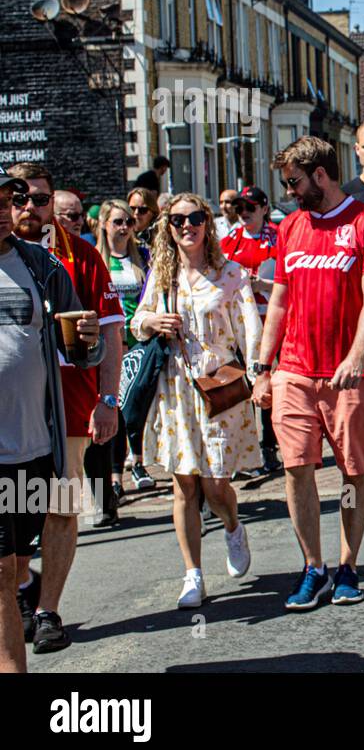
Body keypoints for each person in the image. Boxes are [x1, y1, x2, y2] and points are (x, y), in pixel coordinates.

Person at [251, 137, 364, 610]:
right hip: (293, 371)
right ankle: (313, 566)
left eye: (294, 181)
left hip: (349, 375)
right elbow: (280, 302)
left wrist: (355, 356)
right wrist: (262, 368)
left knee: (354, 473)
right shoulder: (289, 227)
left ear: (321, 176)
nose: (289, 191)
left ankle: (348, 566)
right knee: (296, 471)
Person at [7, 163, 122, 656]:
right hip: (12, 416)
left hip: (66, 410)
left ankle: (47, 609)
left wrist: (108, 399)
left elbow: (111, 334)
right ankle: (17, 599)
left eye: (41, 199)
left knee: (59, 506)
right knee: (13, 519)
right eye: (22, 199)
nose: (31, 208)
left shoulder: (79, 257)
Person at [132, 194, 259, 607]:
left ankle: (232, 525)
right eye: (178, 219)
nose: (187, 225)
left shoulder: (231, 274)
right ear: (167, 227)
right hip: (176, 389)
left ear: (208, 223)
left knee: (216, 482)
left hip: (219, 387)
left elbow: (250, 335)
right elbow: (137, 323)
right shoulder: (162, 276)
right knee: (184, 483)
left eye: (196, 217)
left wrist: (259, 376)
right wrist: (152, 321)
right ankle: (193, 575)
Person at [88, 200, 155, 520]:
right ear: (104, 224)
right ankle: (115, 478)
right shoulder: (97, 259)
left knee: (134, 408)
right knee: (114, 409)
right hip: (110, 347)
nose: (125, 227)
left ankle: (137, 462)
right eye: (117, 222)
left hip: (140, 345)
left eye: (128, 221)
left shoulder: (141, 257)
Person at [219, 186, 281, 475]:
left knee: (266, 384)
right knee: (238, 386)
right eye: (240, 208)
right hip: (239, 324)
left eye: (251, 208)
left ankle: (270, 447)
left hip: (270, 321)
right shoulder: (229, 241)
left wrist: (263, 285)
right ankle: (243, 448)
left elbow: (289, 279)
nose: (244, 213)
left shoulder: (278, 237)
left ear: (264, 209)